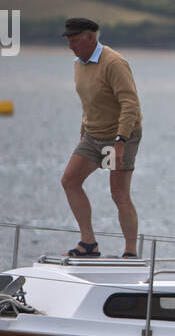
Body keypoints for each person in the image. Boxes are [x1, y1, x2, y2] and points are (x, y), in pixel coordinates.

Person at [59, 18, 142, 258]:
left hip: (119, 136)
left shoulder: (114, 62)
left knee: (118, 193)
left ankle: (130, 252)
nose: (70, 46)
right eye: (68, 41)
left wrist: (120, 141)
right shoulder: (79, 63)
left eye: (74, 40)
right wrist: (84, 128)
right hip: (93, 135)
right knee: (70, 181)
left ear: (89, 38)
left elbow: (130, 104)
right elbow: (90, 100)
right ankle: (88, 244)